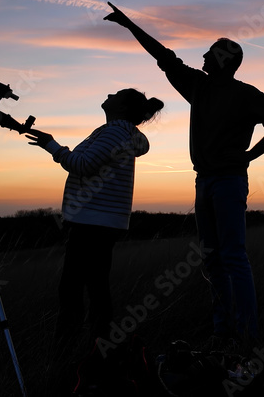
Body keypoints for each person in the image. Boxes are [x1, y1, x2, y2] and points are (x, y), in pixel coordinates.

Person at [103, 2, 264, 348]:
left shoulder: (245, 94)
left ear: (221, 60)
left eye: (209, 53)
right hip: (203, 180)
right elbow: (165, 57)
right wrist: (130, 26)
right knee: (212, 258)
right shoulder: (197, 86)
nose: (203, 57)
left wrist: (251, 155)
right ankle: (223, 332)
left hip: (229, 182)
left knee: (233, 256)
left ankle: (248, 337)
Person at [26, 88, 164, 343]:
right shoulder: (122, 132)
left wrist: (52, 146)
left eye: (117, 94)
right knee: (96, 287)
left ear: (122, 108)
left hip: (92, 222)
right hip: (102, 221)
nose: (110, 94)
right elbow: (88, 161)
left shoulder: (114, 131)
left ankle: (68, 350)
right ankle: (99, 347)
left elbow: (83, 165)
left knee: (72, 289)